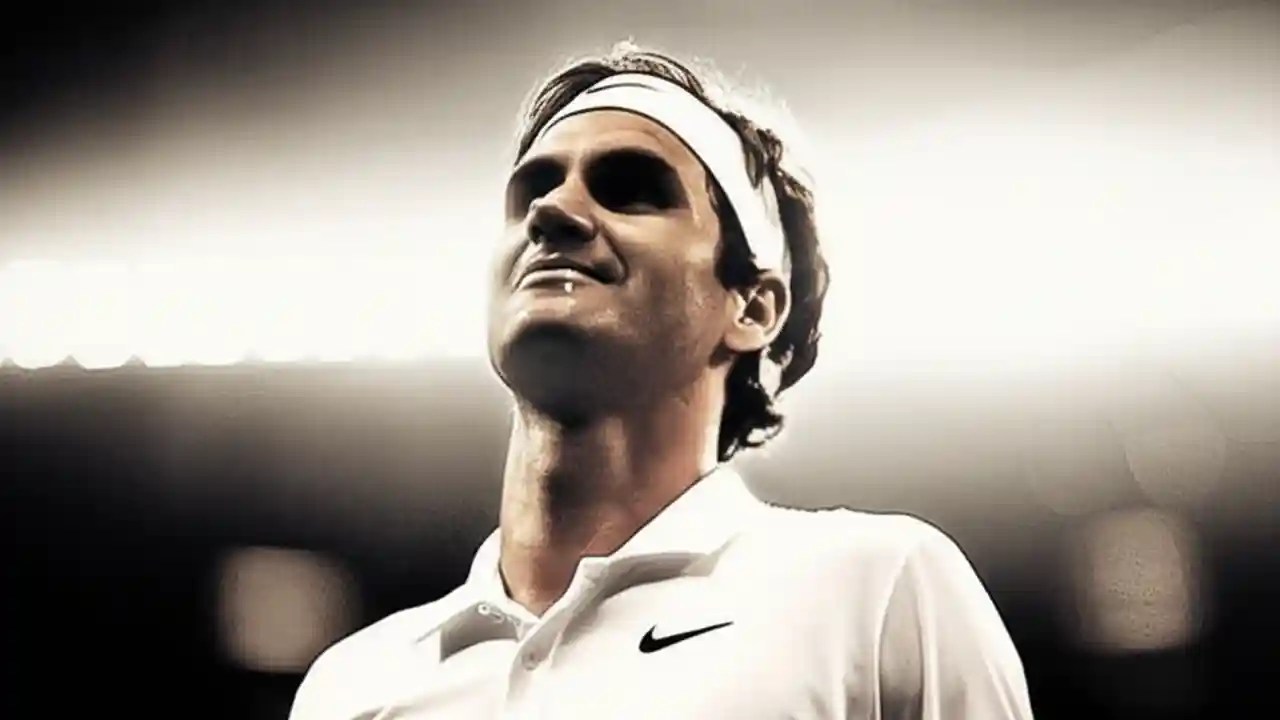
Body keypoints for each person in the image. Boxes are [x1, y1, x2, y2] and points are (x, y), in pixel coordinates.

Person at [289, 42, 1033, 719]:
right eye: (533, 190)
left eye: (631, 189)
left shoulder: (878, 592)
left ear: (752, 306)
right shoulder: (352, 686)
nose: (553, 211)